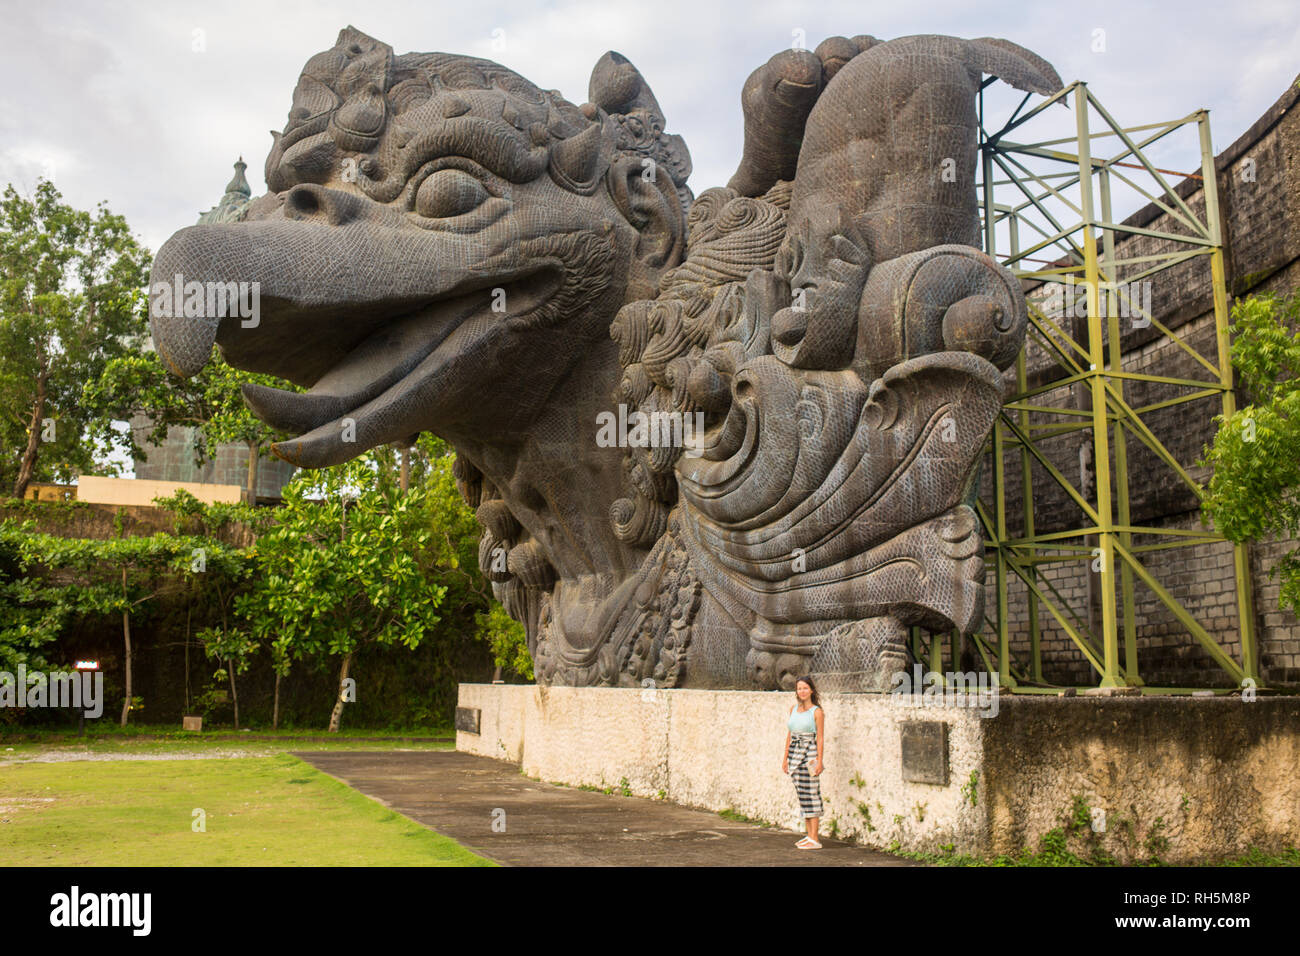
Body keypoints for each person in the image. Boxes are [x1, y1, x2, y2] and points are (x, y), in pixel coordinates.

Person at [781, 675, 824, 849]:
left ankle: (815, 837)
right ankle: (809, 835)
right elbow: (789, 735)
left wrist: (820, 760)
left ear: (811, 690)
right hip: (794, 753)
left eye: (805, 688)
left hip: (809, 753)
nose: (802, 691)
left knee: (811, 793)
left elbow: (820, 738)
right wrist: (785, 758)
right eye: (799, 688)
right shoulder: (793, 709)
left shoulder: (817, 712)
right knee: (802, 794)